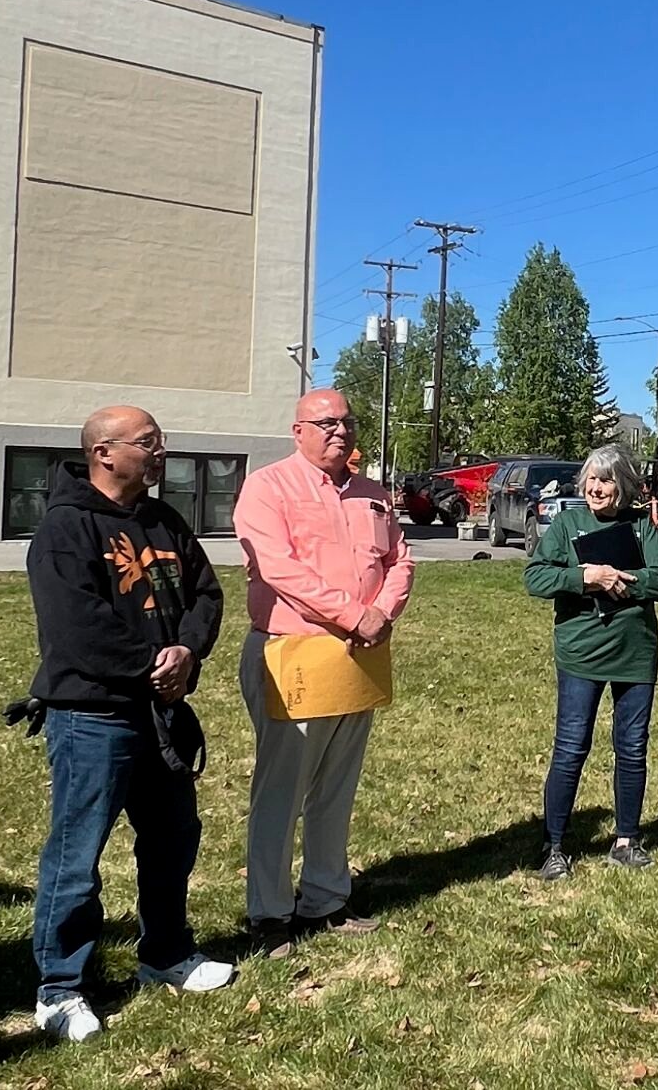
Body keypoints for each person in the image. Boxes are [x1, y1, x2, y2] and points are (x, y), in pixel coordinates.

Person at [25, 407, 231, 1043]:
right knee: (77, 853)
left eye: (160, 440)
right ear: (104, 453)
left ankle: (165, 952)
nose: (161, 451)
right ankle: (60, 988)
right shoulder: (66, 528)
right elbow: (77, 627)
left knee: (173, 838)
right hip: (93, 715)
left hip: (161, 714)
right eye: (148, 442)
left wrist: (187, 652)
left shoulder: (164, 521)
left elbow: (206, 594)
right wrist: (152, 665)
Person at [233, 389, 414, 956]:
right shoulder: (268, 487)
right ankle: (269, 913)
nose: (340, 431)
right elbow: (279, 570)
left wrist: (381, 612)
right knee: (282, 791)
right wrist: (354, 615)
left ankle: (326, 899)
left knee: (337, 785)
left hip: (359, 655)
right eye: (327, 422)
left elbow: (400, 560)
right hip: (294, 652)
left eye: (348, 422)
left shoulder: (372, 494)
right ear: (298, 431)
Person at [523, 444, 658, 879]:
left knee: (632, 746)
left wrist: (624, 580)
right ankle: (554, 846)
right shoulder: (567, 523)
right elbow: (535, 577)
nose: (596, 487)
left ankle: (626, 840)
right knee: (571, 747)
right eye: (591, 478)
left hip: (635, 653)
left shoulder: (641, 526)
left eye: (606, 480)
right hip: (581, 654)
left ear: (622, 485)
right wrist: (585, 578)